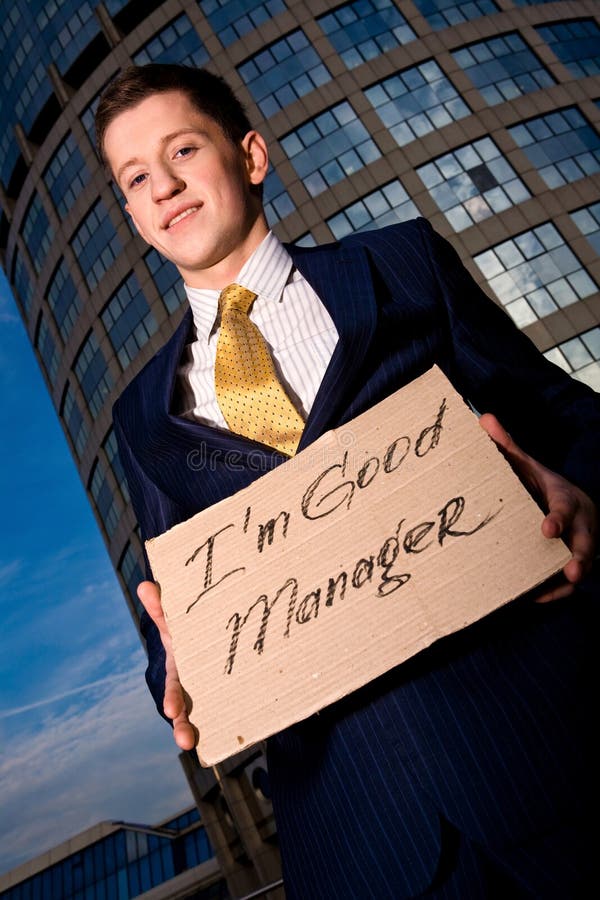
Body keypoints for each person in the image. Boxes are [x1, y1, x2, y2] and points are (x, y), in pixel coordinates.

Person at [96, 64, 598, 897]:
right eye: (137, 177)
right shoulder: (140, 416)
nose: (166, 185)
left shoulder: (401, 264)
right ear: (131, 213)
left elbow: (567, 417)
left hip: (546, 745)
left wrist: (580, 492)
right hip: (360, 832)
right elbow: (177, 609)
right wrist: (174, 670)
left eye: (184, 149)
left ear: (251, 155)